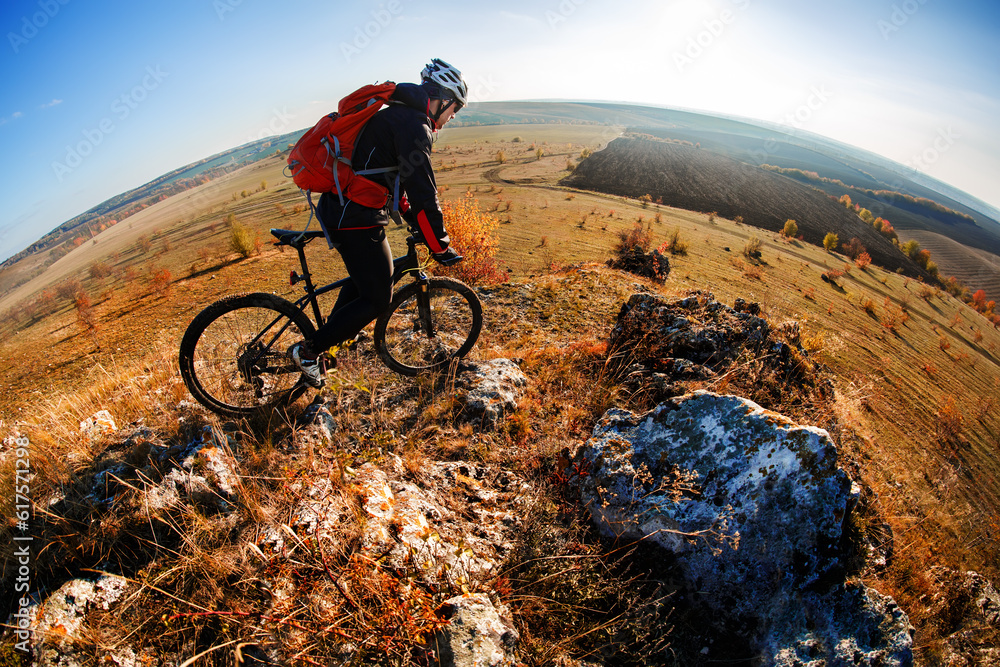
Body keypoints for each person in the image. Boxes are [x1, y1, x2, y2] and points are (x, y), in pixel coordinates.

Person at [288, 58, 468, 387]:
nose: (450, 119)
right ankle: (310, 351)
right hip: (355, 217)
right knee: (378, 297)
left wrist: (412, 218)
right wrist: (439, 245)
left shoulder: (397, 115)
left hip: (342, 209)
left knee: (362, 282)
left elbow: (386, 176)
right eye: (453, 110)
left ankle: (328, 344)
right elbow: (424, 192)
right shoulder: (415, 125)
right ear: (442, 99)